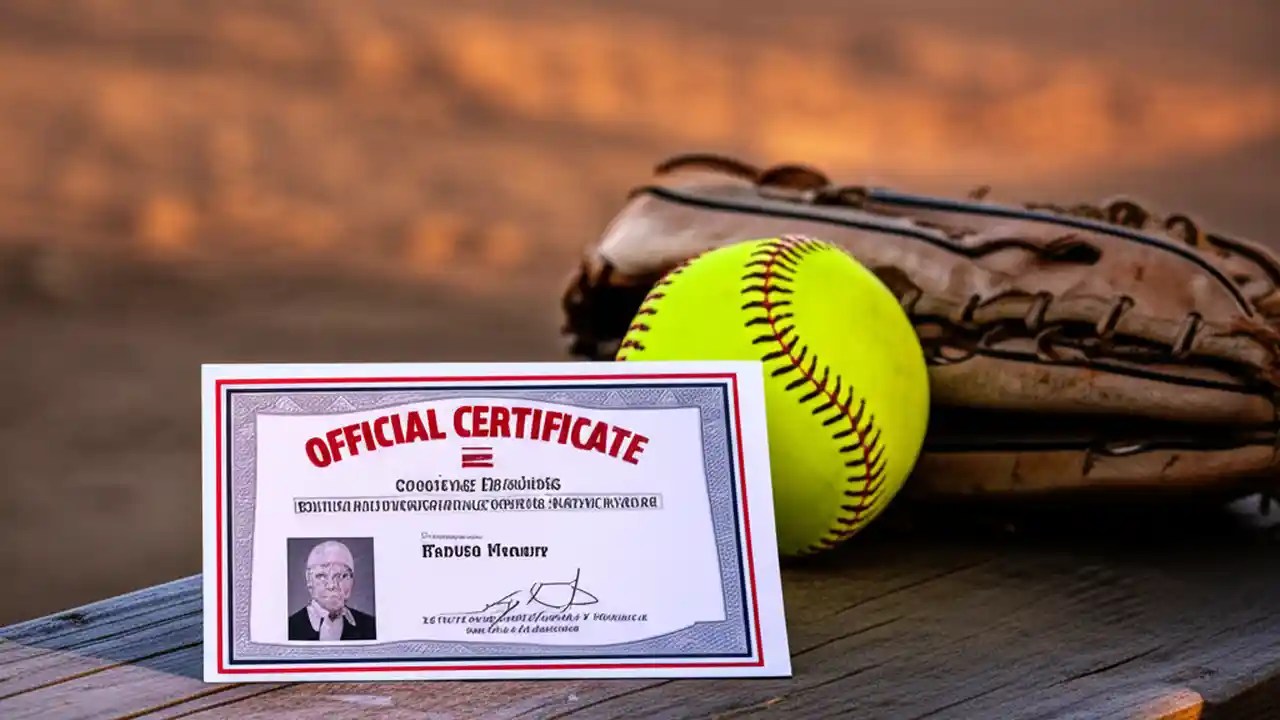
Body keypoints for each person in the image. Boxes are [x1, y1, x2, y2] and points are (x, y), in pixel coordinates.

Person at [287, 540, 377, 641]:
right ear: (309, 580)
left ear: (352, 580)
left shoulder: (371, 627)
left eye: (342, 576)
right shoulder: (289, 628)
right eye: (322, 576)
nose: (332, 585)